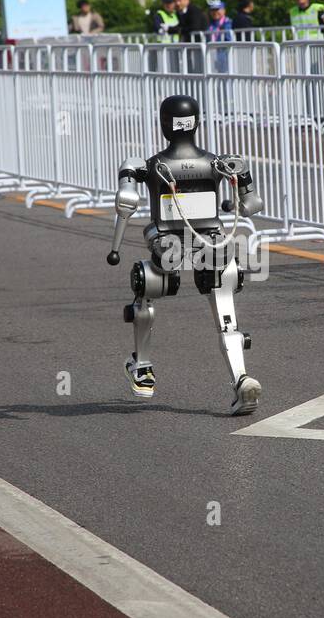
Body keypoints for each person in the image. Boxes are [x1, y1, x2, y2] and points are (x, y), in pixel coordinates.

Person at [105, 94, 265, 415]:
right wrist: (234, 202)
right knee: (226, 311)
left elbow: (126, 202)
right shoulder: (219, 163)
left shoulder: (146, 165)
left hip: (167, 247)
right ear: (197, 123)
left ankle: (143, 366)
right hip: (215, 245)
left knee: (147, 287)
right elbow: (252, 205)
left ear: (164, 125)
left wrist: (116, 246)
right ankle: (240, 378)